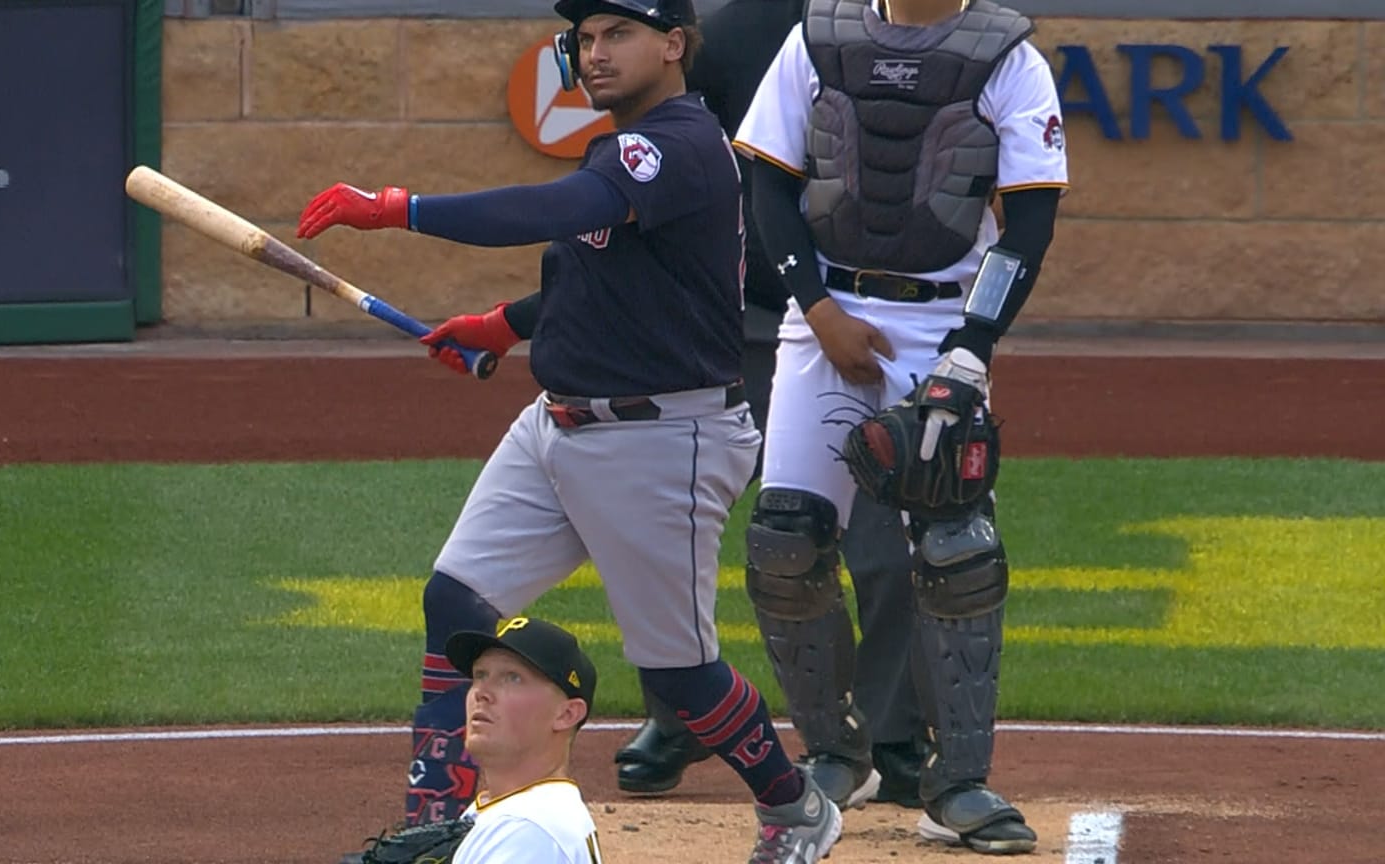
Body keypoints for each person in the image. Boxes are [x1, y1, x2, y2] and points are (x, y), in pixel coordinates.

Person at [295, 1, 842, 860]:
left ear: (674, 44)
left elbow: (549, 210)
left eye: (617, 34)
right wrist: (502, 325)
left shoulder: (678, 144)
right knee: (457, 600)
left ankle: (793, 805)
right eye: (584, 39)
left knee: (680, 676)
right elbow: (596, 276)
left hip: (661, 440)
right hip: (556, 424)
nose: (595, 53)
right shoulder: (626, 149)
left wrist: (402, 207)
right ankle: (441, 827)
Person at [732, 0, 1068, 854]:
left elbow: (1029, 220)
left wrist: (973, 348)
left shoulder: (1008, 55)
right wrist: (818, 310)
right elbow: (768, 184)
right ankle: (835, 755)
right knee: (784, 541)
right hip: (826, 315)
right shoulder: (817, 39)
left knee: (956, 547)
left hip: (944, 320)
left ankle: (958, 782)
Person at [613, 0, 928, 812]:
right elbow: (665, 169)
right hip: (735, 321)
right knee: (669, 521)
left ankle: (893, 736)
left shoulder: (923, 29)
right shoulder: (734, 36)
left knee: (887, 540)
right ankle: (681, 710)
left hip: (879, 324)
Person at [443, 616, 603, 863]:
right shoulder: (519, 812)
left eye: (512, 677)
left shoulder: (531, 832)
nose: (482, 693)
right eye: (480, 675)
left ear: (567, 714)